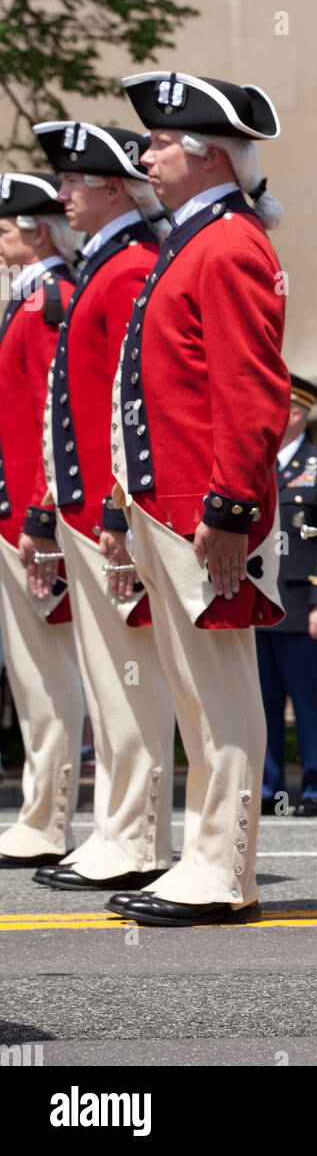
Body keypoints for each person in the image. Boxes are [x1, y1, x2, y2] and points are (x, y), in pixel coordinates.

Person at [102, 70, 292, 926]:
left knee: (220, 699)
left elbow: (252, 394)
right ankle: (205, 857)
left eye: (159, 141)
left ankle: (225, 869)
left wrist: (229, 511)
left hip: (203, 510)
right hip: (170, 503)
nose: (144, 154)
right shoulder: (196, 240)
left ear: (208, 152)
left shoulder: (228, 244)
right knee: (194, 696)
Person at [23, 121, 176, 894]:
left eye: (76, 181)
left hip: (105, 505)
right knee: (109, 678)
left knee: (130, 679)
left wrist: (115, 508)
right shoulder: (107, 268)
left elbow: (129, 407)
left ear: (115, 187)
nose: (63, 195)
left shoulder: (125, 270)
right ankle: (117, 828)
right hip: (83, 504)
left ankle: (139, 836)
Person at [0, 173, 80, 867]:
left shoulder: (52, 304)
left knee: (48, 674)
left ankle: (49, 818)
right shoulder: (29, 302)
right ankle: (39, 812)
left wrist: (42, 516)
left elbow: (59, 423)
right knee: (31, 677)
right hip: (15, 510)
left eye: (5, 229)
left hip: (32, 513)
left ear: (38, 234)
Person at [256, 374, 317, 817]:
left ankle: (316, 789)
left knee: (309, 700)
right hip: (260, 602)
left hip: (301, 604)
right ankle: (268, 789)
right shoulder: (255, 463)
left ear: (297, 412)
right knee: (263, 702)